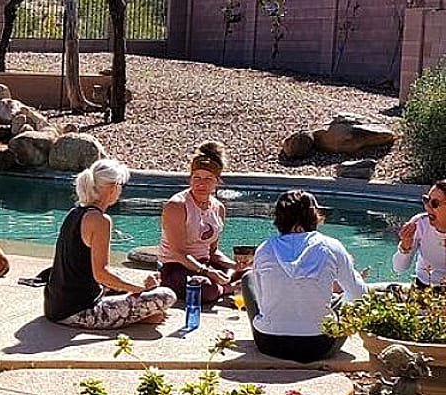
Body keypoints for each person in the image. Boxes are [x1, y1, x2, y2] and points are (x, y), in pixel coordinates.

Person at [45, 158, 177, 329]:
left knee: (129, 288)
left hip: (55, 305)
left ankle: (136, 311)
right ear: (113, 187)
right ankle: (137, 317)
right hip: (78, 311)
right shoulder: (100, 220)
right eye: (121, 185)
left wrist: (132, 287)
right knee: (166, 296)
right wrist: (140, 290)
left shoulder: (74, 212)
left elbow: (93, 272)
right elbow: (101, 274)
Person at [243, 189, 368, 363]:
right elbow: (359, 294)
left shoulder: (265, 249)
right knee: (346, 297)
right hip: (319, 345)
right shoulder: (332, 246)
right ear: (314, 216)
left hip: (269, 343)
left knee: (248, 278)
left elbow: (263, 299)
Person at [158, 141, 236, 305]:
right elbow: (178, 252)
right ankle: (228, 289)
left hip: (204, 264)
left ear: (217, 182)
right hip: (177, 266)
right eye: (197, 178)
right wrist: (207, 272)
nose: (201, 184)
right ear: (190, 179)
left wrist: (234, 265)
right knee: (204, 288)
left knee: (250, 272)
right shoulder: (177, 206)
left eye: (208, 179)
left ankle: (226, 284)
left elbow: (213, 252)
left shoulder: (218, 208)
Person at [392, 180, 446, 289]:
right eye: (426, 200)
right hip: (423, 287)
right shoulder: (420, 224)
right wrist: (405, 245)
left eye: (435, 203)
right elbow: (399, 268)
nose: (428, 207)